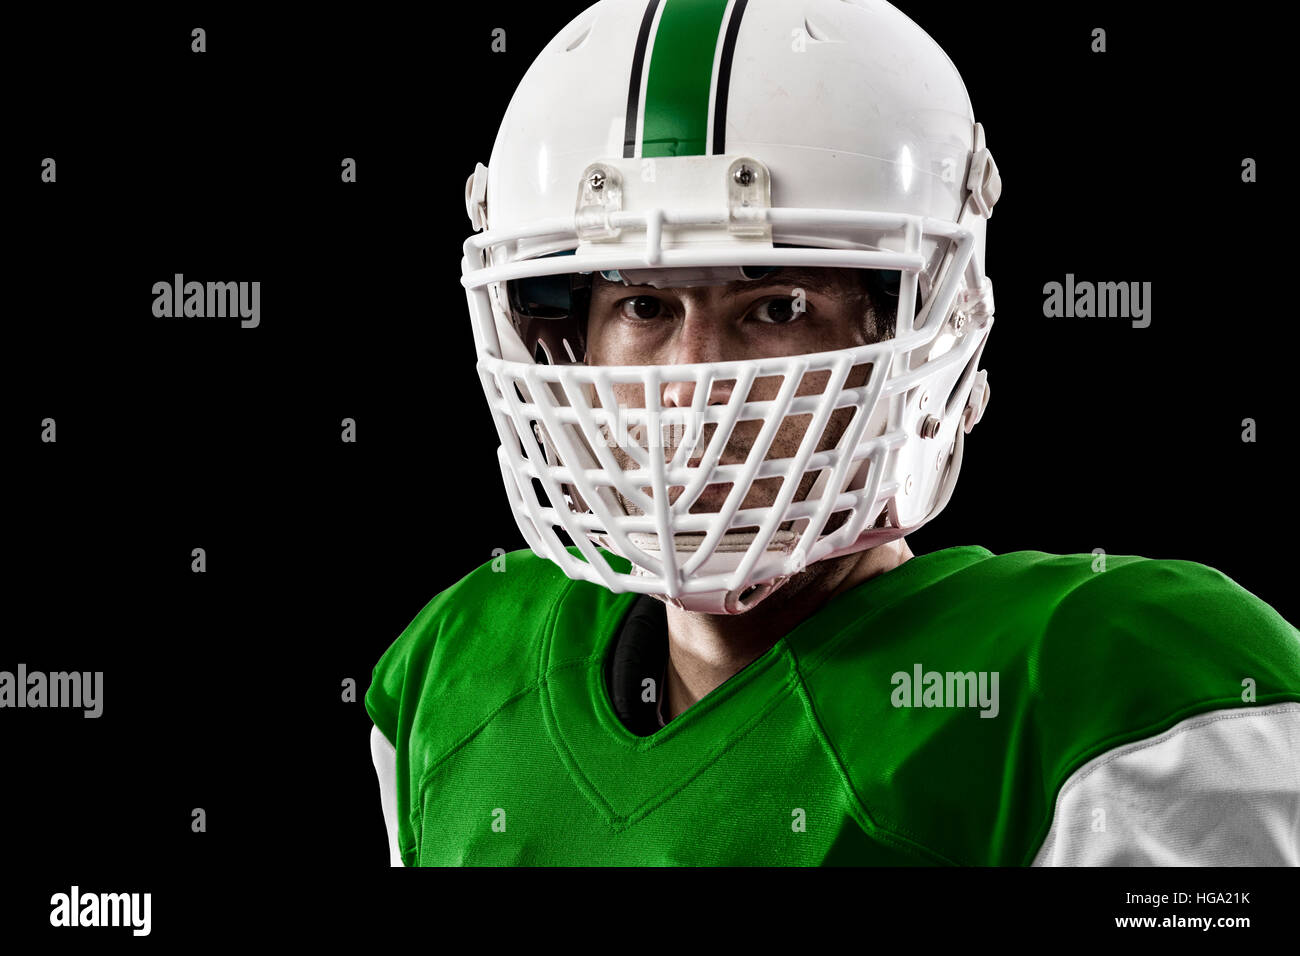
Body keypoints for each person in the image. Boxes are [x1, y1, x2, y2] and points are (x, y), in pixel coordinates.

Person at [366, 0, 1299, 866]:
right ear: (563, 337)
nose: (695, 386)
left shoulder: (1104, 684)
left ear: (913, 327)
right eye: (645, 304)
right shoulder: (457, 673)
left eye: (776, 306)